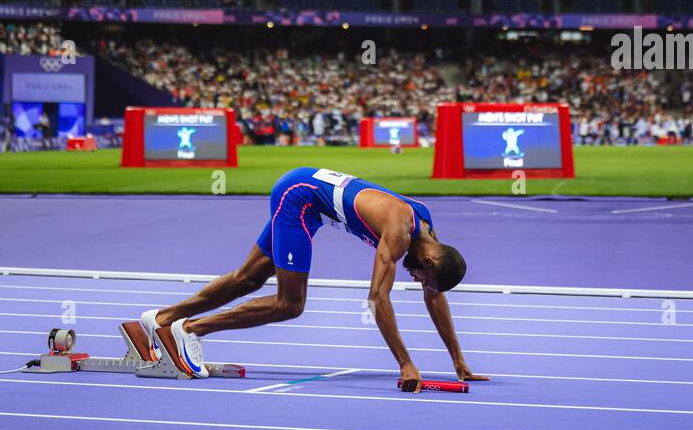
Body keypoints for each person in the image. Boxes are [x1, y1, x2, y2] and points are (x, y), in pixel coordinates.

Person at [124, 166, 486, 390]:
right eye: (421, 276)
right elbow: (377, 299)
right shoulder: (399, 231)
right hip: (300, 198)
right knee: (290, 304)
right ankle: (189, 330)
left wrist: (457, 360)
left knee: (248, 278)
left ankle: (159, 321)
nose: (417, 280)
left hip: (310, 199)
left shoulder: (427, 229)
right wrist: (405, 362)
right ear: (428, 258)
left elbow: (434, 295)